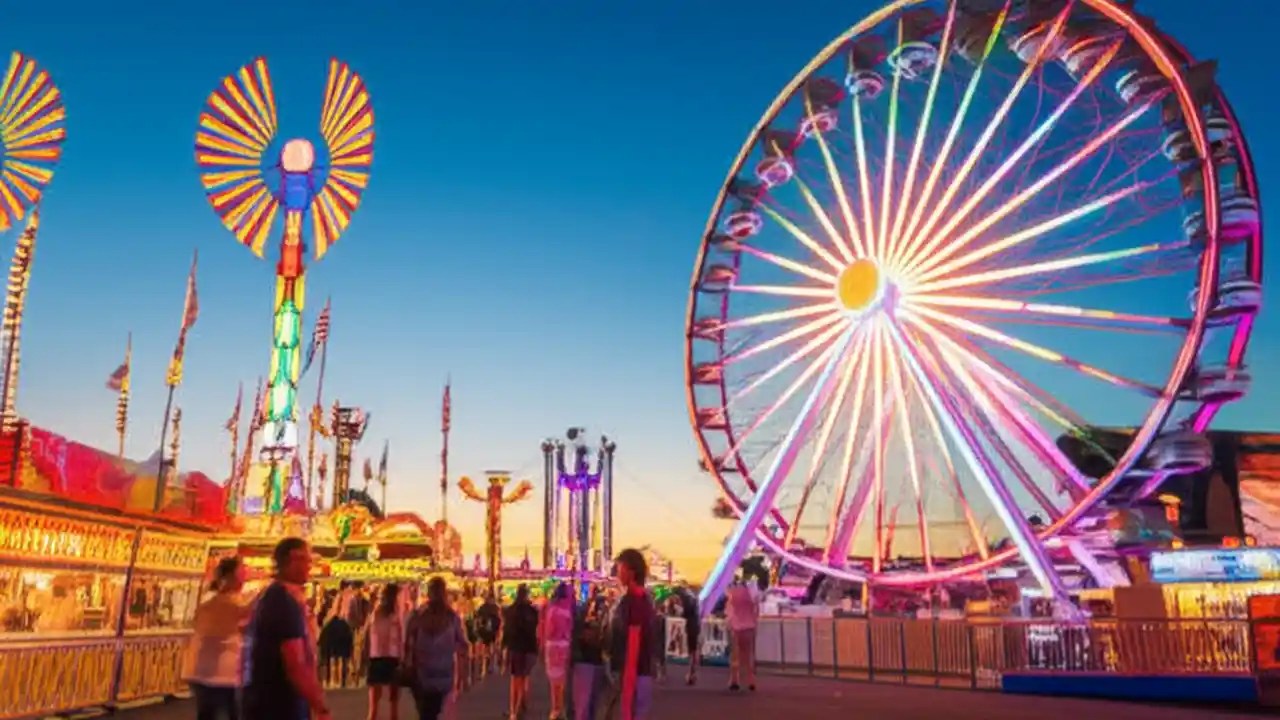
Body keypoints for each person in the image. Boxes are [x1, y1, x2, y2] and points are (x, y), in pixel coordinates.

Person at [242, 537, 330, 720]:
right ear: (293, 559)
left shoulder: (269, 597)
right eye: (307, 560)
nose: (309, 566)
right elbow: (295, 662)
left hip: (264, 701)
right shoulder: (283, 602)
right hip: (280, 704)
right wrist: (319, 705)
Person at [182, 556, 250, 720]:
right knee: (232, 713)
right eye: (241, 574)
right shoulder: (221, 602)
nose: (244, 578)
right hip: (219, 673)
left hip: (211, 672)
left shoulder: (226, 601)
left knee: (211, 713)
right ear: (228, 577)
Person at [404, 577, 469, 720]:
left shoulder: (417, 616)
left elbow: (407, 644)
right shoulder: (452, 618)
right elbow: (463, 647)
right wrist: (462, 676)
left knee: (425, 713)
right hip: (444, 676)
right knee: (438, 712)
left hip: (421, 676)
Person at [604, 549, 657, 720]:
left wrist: (628, 681)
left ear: (631, 571)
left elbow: (634, 641)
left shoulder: (634, 600)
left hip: (633, 672)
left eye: (620, 567)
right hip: (635, 671)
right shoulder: (641, 599)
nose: (617, 572)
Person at [366, 583, 406, 720]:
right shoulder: (396, 614)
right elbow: (400, 638)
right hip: (392, 657)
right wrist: (403, 657)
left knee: (373, 706)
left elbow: (370, 635)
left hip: (376, 656)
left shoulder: (376, 613)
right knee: (393, 703)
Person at [502, 583, 540, 719]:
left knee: (515, 680)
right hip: (529, 647)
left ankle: (513, 711)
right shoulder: (532, 611)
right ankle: (520, 707)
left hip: (515, 647)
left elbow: (506, 631)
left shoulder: (510, 610)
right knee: (524, 678)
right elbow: (535, 630)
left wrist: (503, 647)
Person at [571, 587, 609, 720]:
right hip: (589, 660)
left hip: (589, 660)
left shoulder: (583, 613)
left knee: (587, 701)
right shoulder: (583, 614)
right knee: (587, 701)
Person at [541, 583, 575, 719]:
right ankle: (561, 708)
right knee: (563, 679)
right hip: (564, 645)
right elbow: (569, 630)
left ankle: (555, 708)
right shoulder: (567, 611)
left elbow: (549, 631)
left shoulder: (552, 610)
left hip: (553, 645)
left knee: (554, 680)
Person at [724, 577, 760, 692]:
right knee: (748, 654)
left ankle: (734, 679)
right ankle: (751, 680)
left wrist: (728, 621)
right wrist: (755, 621)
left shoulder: (731, 590)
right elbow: (756, 606)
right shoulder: (752, 590)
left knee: (735, 653)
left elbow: (729, 609)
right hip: (749, 625)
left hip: (735, 625)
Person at [677, 586, 701, 686]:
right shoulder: (693, 598)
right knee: (694, 650)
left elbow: (686, 613)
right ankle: (693, 672)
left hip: (691, 626)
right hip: (695, 625)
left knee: (692, 650)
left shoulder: (687, 599)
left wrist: (680, 612)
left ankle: (692, 673)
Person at [474, 592, 502, 675]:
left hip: (484, 630)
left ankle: (484, 663)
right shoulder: (495, 607)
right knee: (492, 647)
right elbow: (499, 619)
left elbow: (478, 618)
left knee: (485, 647)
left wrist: (478, 628)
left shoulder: (482, 607)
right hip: (492, 630)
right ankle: (490, 664)